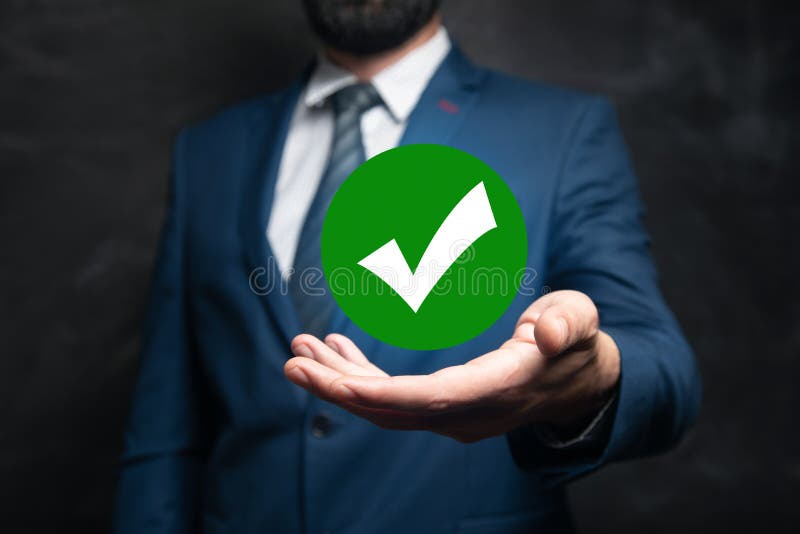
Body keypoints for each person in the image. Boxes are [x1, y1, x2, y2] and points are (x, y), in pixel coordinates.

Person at [114, 1, 701, 532]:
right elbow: (166, 425)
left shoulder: (561, 131)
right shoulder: (209, 152)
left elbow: (663, 368)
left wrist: (590, 376)